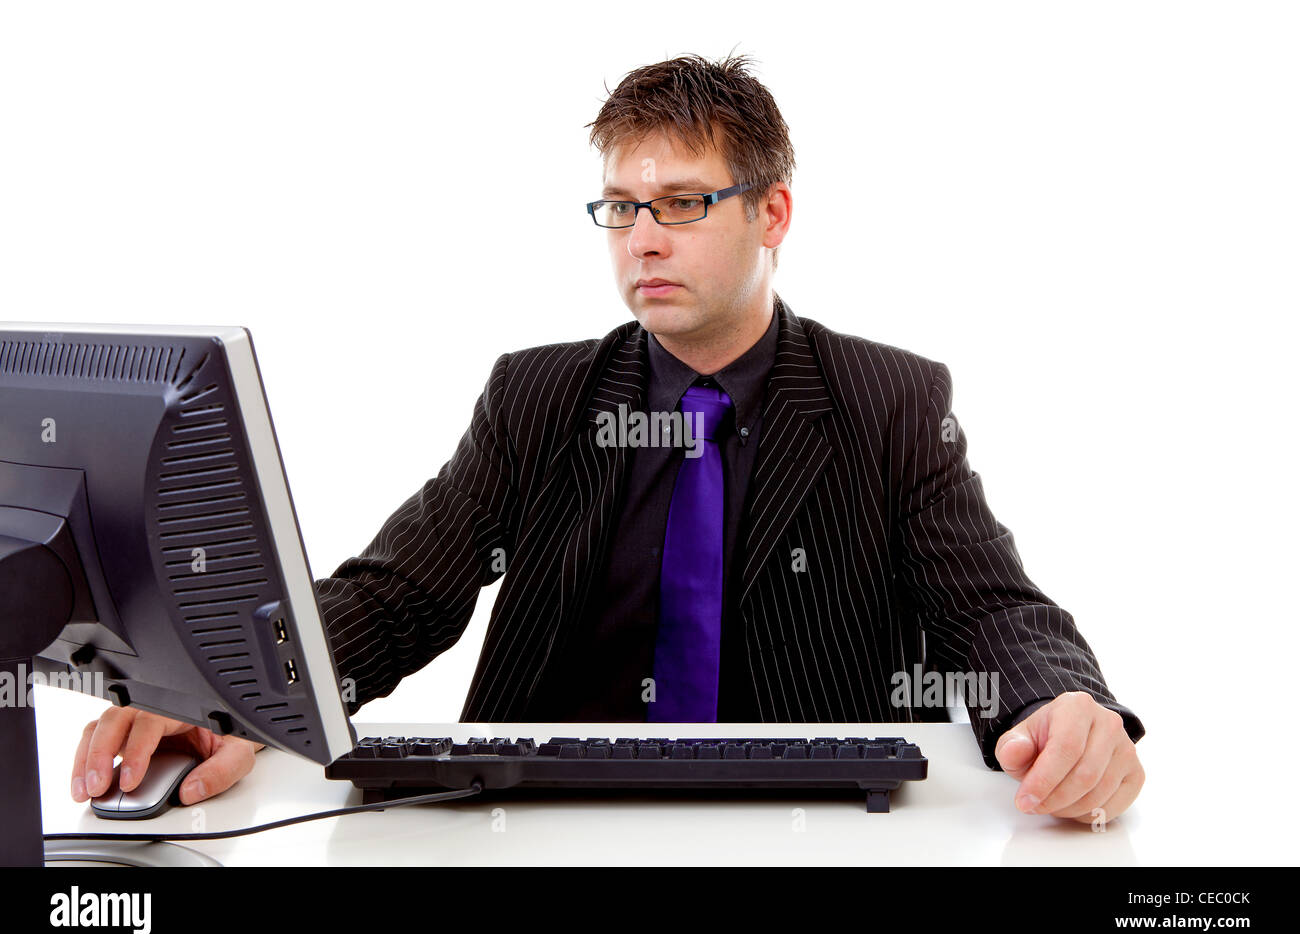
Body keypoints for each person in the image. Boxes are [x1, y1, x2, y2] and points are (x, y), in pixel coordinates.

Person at [72, 52, 1144, 824]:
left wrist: (1065, 701)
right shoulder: (536, 394)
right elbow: (400, 592)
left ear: (772, 213)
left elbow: (992, 605)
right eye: (619, 207)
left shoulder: (888, 399)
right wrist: (234, 696)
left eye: (680, 203)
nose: (640, 240)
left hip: (804, 823)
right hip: (537, 819)